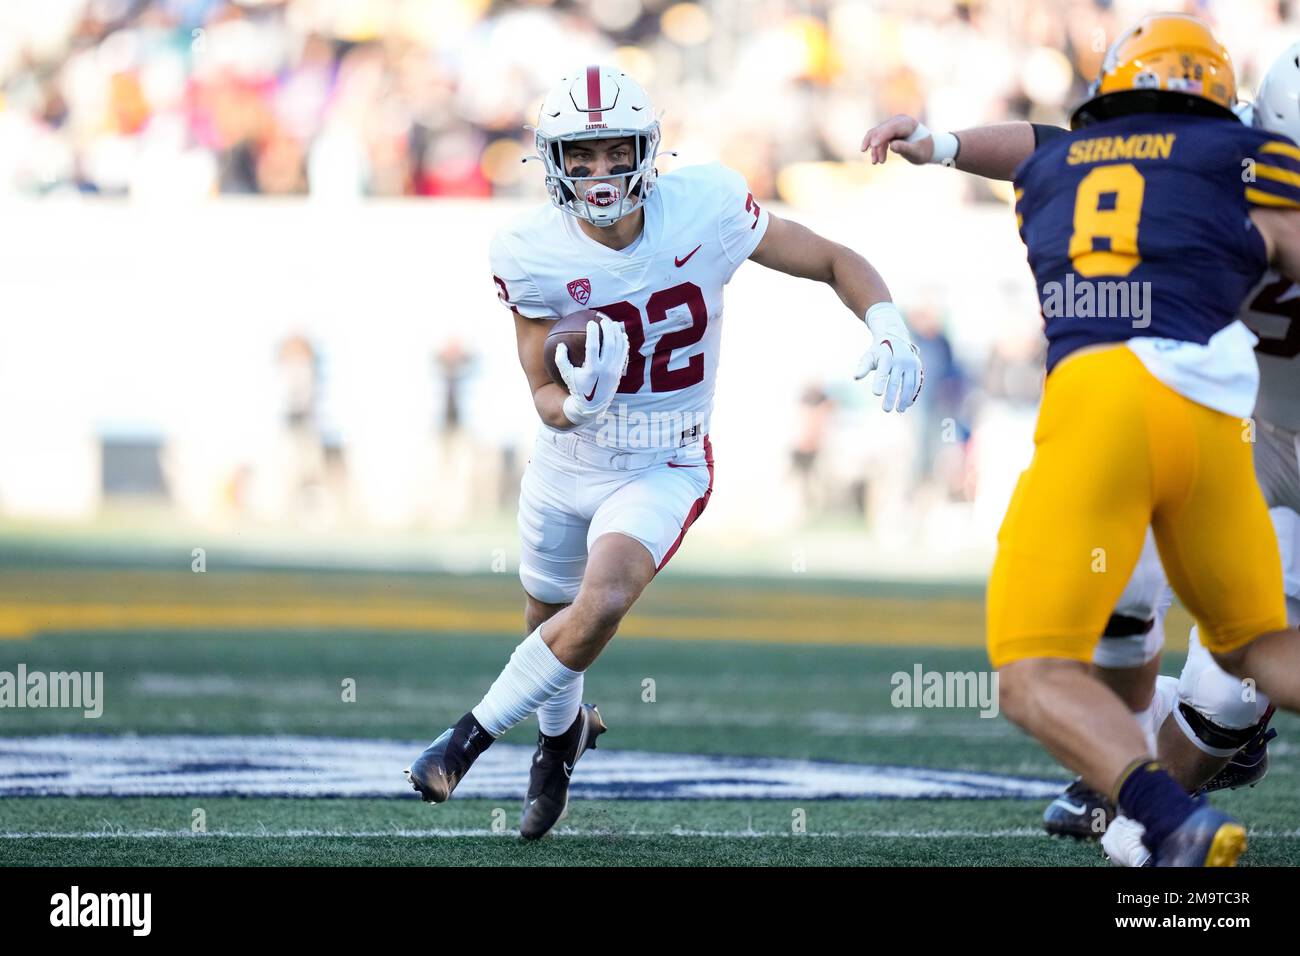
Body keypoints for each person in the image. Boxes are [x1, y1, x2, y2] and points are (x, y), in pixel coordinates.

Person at [405, 65, 925, 840]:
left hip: (663, 457)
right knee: (553, 626)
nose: (597, 172)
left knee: (602, 604)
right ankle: (561, 740)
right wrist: (573, 402)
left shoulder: (705, 206)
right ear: (551, 163)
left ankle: (463, 742)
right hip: (568, 461)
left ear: (646, 150)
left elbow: (829, 259)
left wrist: (887, 321)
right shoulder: (527, 250)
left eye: (612, 151)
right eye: (577, 157)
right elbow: (541, 395)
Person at [868, 13, 1300, 865]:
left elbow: (1038, 141)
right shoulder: (1249, 159)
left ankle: (1149, 803)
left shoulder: (1092, 157)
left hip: (1124, 401)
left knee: (1049, 670)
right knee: (1240, 648)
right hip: (1222, 421)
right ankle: (1136, 780)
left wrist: (939, 142)